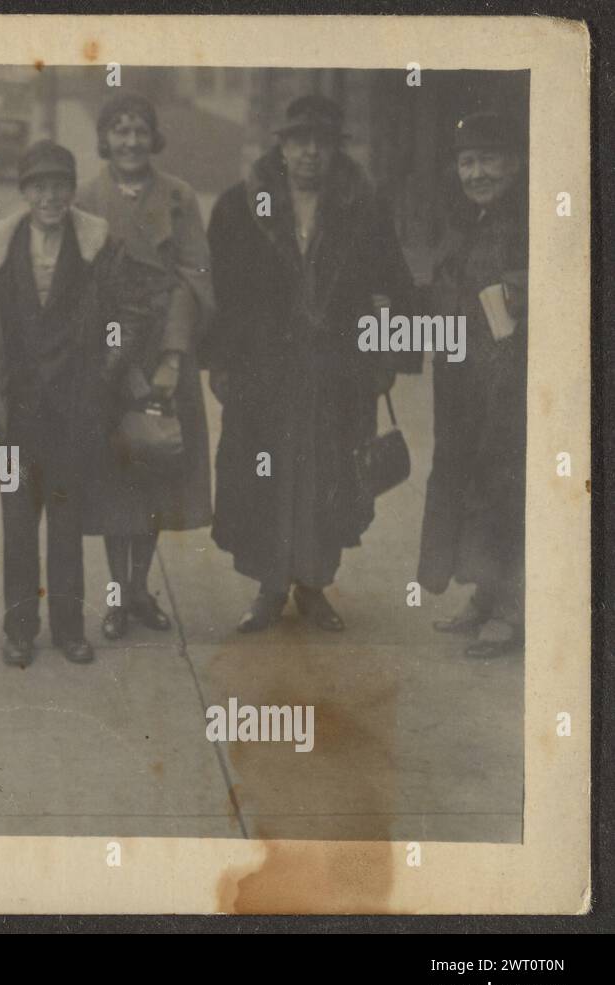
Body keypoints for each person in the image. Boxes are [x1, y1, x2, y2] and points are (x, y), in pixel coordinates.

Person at [205, 95, 413, 633]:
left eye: (322, 142)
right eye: (300, 142)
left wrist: (388, 355)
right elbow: (222, 293)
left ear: (335, 150)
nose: (311, 153)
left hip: (336, 370)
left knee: (329, 477)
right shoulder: (242, 205)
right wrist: (222, 362)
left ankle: (315, 586)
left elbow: (392, 283)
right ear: (283, 145)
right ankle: (269, 589)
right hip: (266, 371)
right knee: (266, 475)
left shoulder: (362, 206)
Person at [0, 141, 144, 667]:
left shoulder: (97, 244)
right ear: (24, 192)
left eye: (59, 185)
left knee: (67, 524)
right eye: (39, 186)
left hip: (75, 408)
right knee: (18, 527)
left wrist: (104, 373)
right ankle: (20, 631)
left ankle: (69, 629)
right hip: (17, 411)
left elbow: (129, 313)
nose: (50, 196)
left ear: (72, 190)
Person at [77, 92, 215, 641]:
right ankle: (118, 594)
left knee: (158, 468)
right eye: (119, 131)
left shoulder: (179, 197)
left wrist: (173, 358)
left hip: (168, 357)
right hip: (110, 362)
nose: (130, 142)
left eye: (139, 131)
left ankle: (139, 590)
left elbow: (194, 277)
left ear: (152, 137)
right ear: (105, 138)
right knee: (116, 480)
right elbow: (85, 293)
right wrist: (119, 365)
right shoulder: (86, 198)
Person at [417, 111, 528, 659]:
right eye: (467, 162)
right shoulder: (467, 221)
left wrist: (517, 289)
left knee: (506, 482)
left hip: (512, 380)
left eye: (488, 160)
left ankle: (511, 607)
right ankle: (485, 596)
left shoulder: (531, 217)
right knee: (470, 479)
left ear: (514, 162)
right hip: (464, 378)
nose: (477, 173)